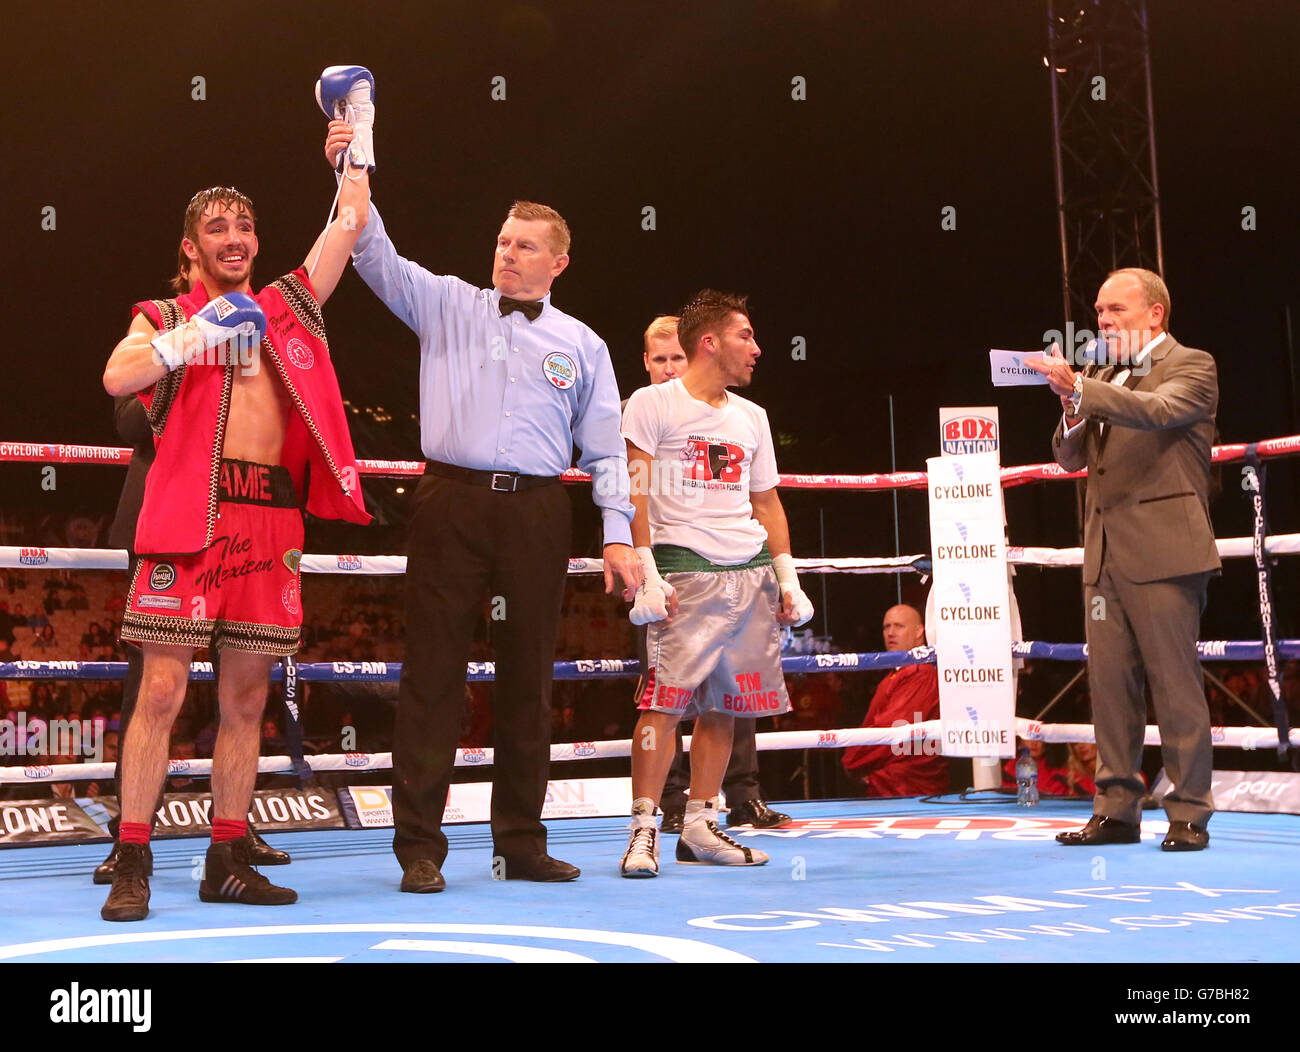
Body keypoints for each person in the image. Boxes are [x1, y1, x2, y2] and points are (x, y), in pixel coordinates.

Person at [332, 117, 641, 894]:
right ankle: (420, 848)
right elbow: (373, 253)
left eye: (525, 245)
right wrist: (352, 168)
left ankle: (521, 843)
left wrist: (617, 536)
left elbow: (605, 451)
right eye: (503, 241)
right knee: (432, 676)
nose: (507, 252)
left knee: (528, 680)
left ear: (558, 261)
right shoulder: (446, 304)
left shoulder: (586, 346)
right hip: (448, 502)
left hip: (536, 512)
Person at [97, 100, 372, 921]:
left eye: (245, 225)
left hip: (270, 522)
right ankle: (134, 858)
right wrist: (199, 333)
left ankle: (226, 854)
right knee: (160, 690)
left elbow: (348, 225)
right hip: (191, 516)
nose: (235, 237)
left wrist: (355, 140)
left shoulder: (287, 305)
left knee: (248, 698)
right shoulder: (168, 317)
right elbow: (116, 377)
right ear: (193, 246)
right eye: (218, 227)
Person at [618, 289, 814, 878]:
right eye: (746, 336)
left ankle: (702, 826)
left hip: (748, 571)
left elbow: (767, 501)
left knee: (726, 704)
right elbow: (635, 490)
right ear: (710, 342)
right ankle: (644, 828)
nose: (757, 348)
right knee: (664, 704)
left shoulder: (752, 417)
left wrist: (788, 577)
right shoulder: (652, 404)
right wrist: (645, 569)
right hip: (685, 570)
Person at [1027, 267, 1218, 851]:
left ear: (1155, 314)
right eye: (1099, 311)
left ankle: (1188, 813)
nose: (1102, 320)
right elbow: (1067, 458)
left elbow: (1157, 411)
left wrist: (1084, 388)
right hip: (1104, 551)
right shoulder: (1104, 374)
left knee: (1173, 683)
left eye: (1116, 310)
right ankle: (1116, 810)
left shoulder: (1192, 364)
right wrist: (1071, 407)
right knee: (1110, 686)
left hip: (1165, 548)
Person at [841, 604, 949, 797]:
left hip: (907, 790)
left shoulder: (920, 674)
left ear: (919, 632)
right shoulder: (896, 673)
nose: (890, 633)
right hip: (890, 784)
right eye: (886, 627)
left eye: (899, 626)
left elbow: (894, 731)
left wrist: (853, 761)